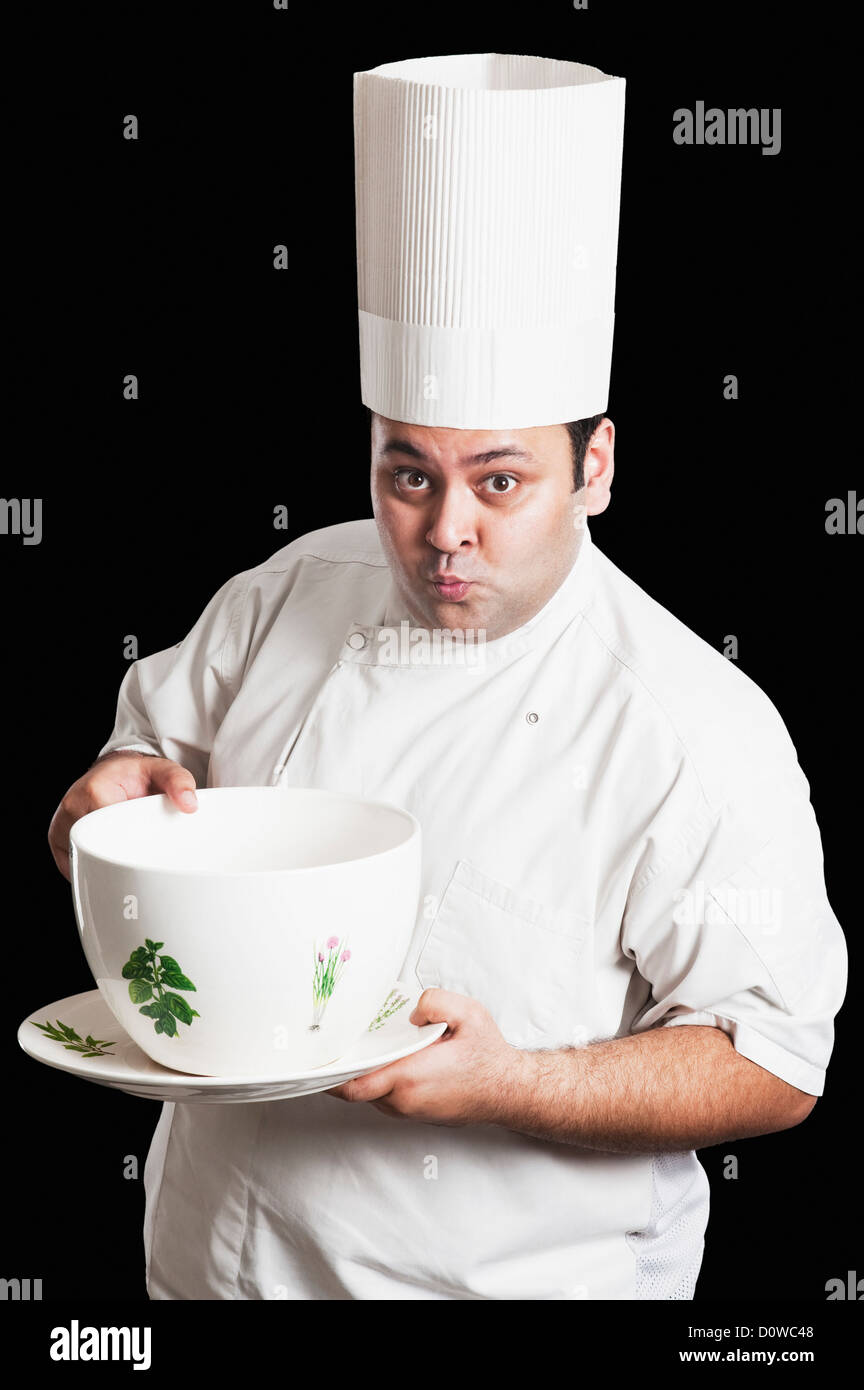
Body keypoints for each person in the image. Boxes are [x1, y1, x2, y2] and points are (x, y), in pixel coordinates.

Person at [47, 53, 847, 1300]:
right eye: (408, 474)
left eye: (500, 479)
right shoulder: (292, 593)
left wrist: (510, 1081)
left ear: (597, 467)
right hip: (202, 1271)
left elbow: (776, 1063)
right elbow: (130, 778)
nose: (444, 532)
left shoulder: (696, 730)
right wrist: (101, 804)